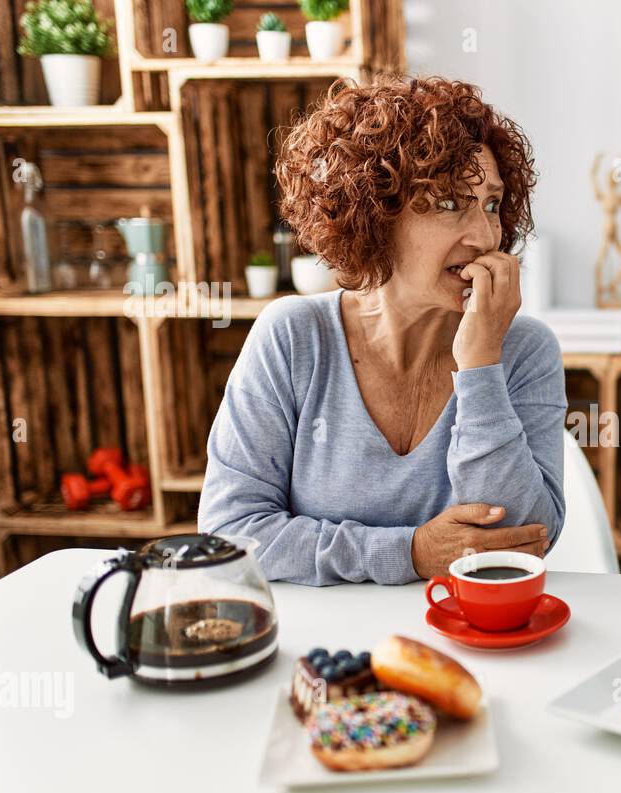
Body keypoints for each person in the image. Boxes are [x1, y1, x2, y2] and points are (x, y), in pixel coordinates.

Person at [198, 76, 566, 585]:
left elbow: (523, 540)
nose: (484, 235)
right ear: (376, 214)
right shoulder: (292, 339)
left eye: (491, 203)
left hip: (473, 645)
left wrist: (481, 364)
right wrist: (410, 552)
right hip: (319, 648)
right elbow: (229, 533)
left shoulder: (523, 349)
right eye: (448, 203)